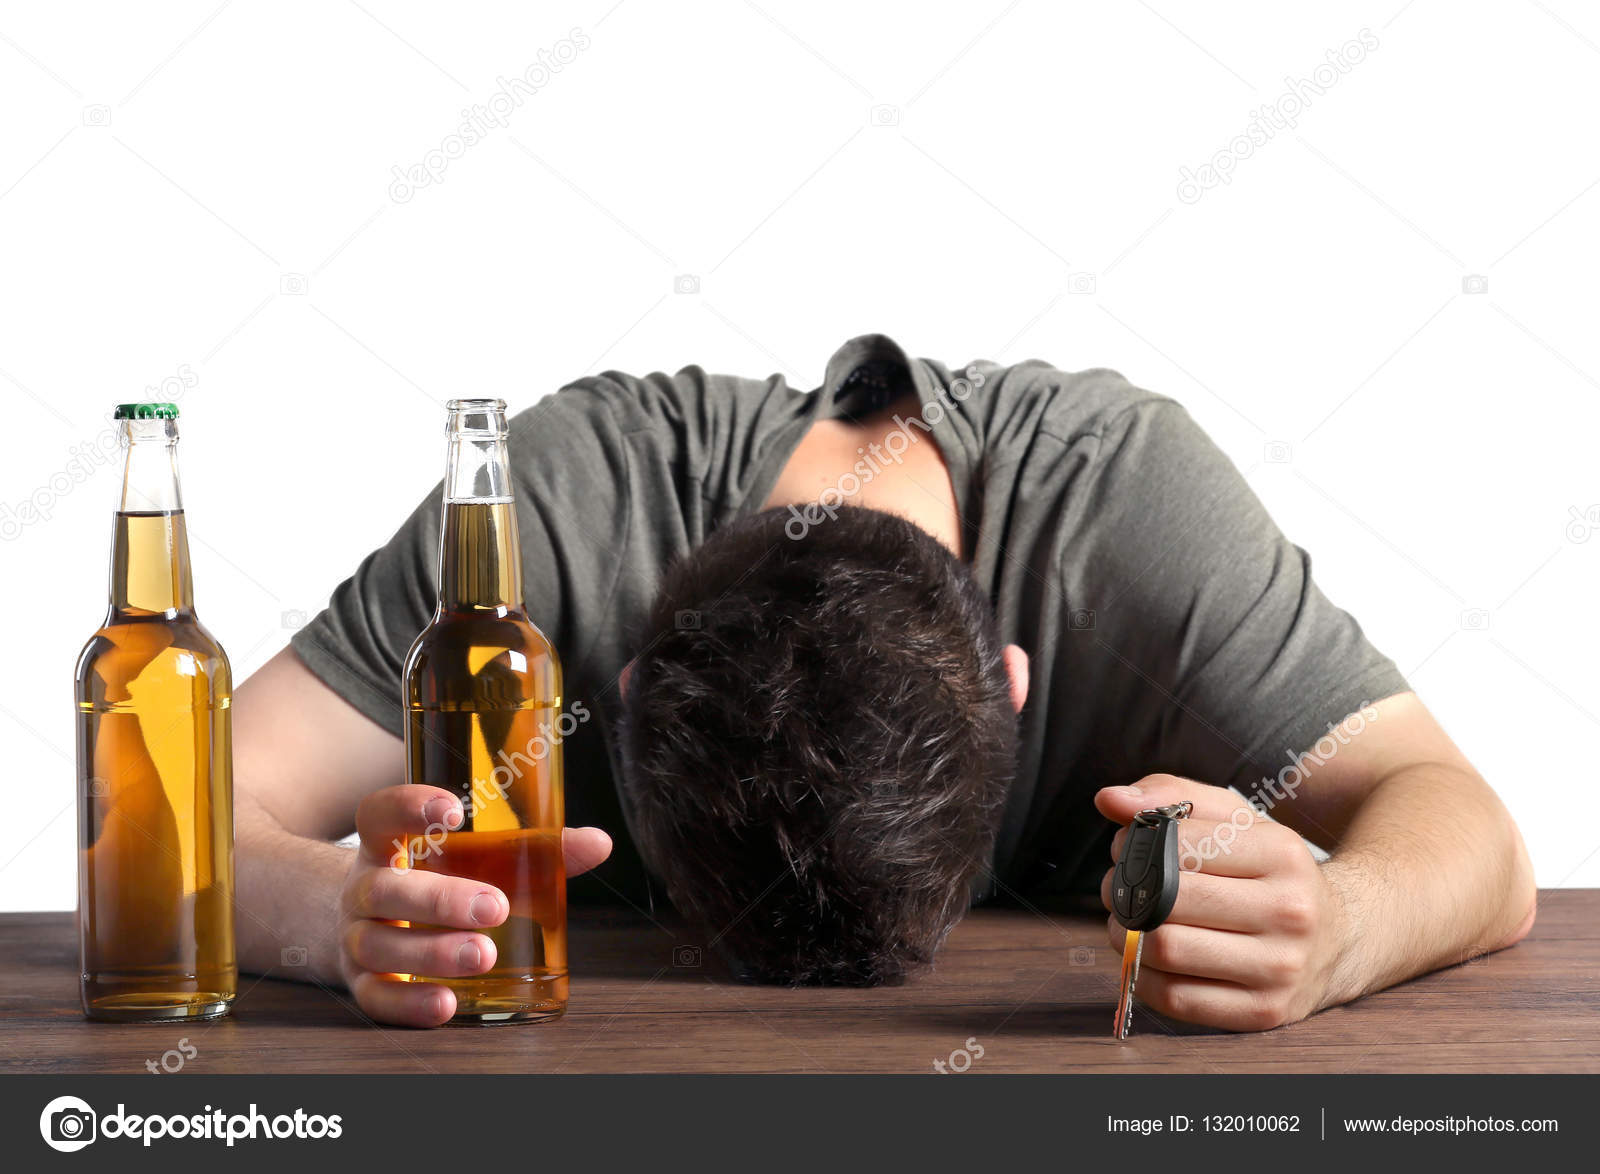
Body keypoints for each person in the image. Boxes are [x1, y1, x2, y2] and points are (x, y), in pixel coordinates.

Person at [234, 333, 1535, 1029]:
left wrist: (1344, 924)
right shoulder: (556, 515)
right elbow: (173, 807)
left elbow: (1467, 825)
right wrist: (330, 913)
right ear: (621, 693)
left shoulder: (1135, 512)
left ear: (1015, 687)